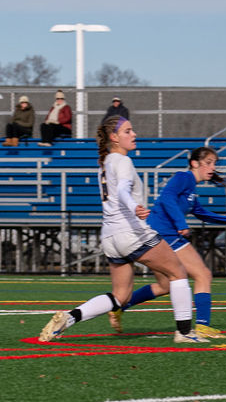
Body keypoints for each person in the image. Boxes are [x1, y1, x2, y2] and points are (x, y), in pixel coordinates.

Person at [37, 116, 206, 344]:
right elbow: (124, 191)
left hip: (110, 237)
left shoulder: (105, 163)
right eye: (128, 131)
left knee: (120, 296)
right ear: (114, 138)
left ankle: (69, 318)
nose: (134, 134)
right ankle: (185, 333)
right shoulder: (123, 161)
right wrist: (134, 207)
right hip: (131, 233)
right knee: (178, 273)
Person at [111, 147, 226, 339]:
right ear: (194, 163)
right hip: (166, 234)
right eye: (209, 162)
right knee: (203, 274)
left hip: (158, 234)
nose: (213, 167)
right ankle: (202, 326)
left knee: (165, 286)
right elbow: (167, 198)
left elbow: (203, 214)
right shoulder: (182, 177)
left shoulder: (191, 191)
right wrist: (180, 223)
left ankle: (120, 307)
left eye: (215, 164)